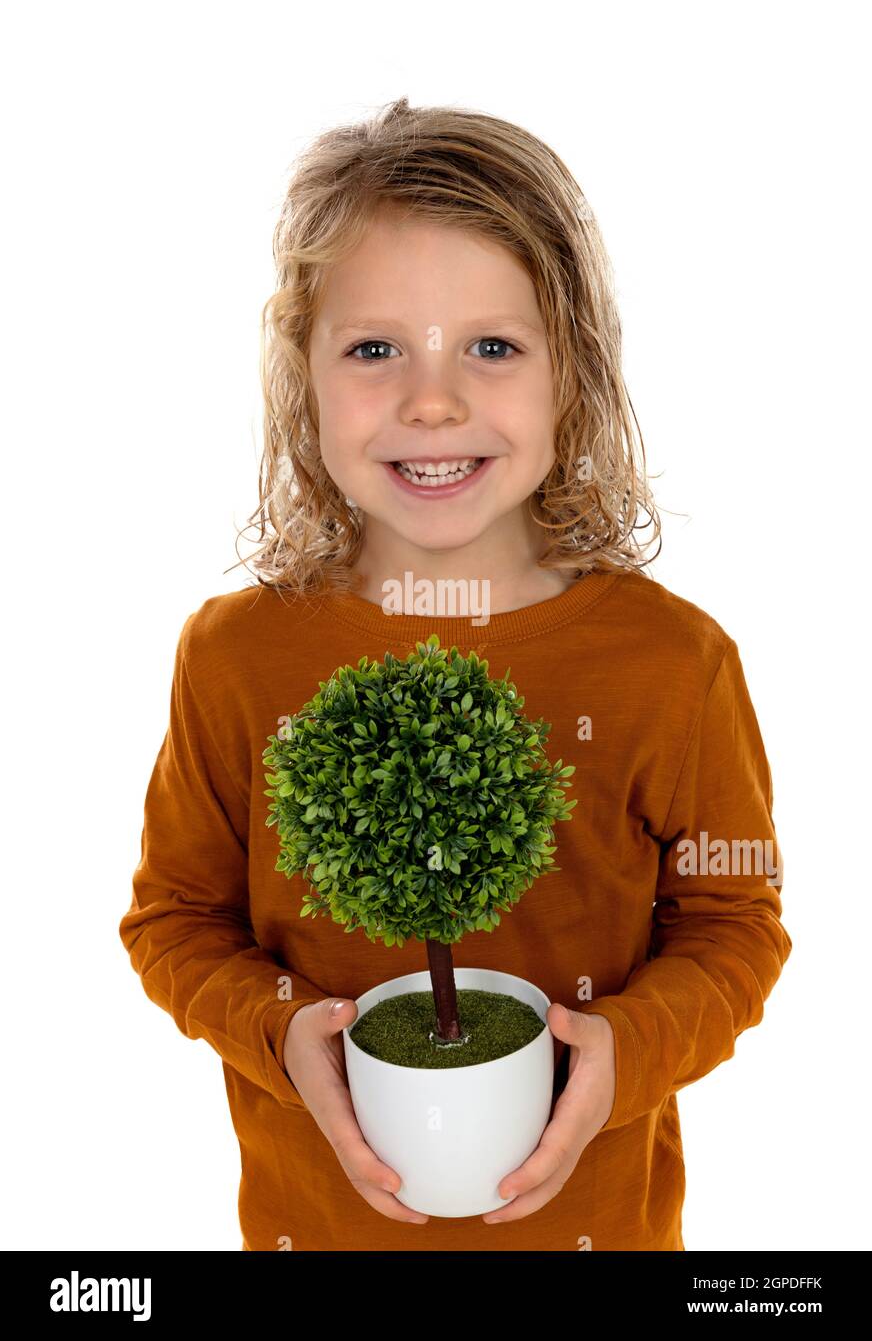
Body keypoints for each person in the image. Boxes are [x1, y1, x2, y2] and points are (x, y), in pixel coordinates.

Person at [119, 96, 792, 1251]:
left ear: (569, 372)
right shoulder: (234, 657)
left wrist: (629, 1047)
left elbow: (733, 921)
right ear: (304, 379)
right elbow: (175, 916)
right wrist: (278, 1028)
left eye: (491, 345)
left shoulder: (670, 661)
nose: (432, 401)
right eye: (375, 348)